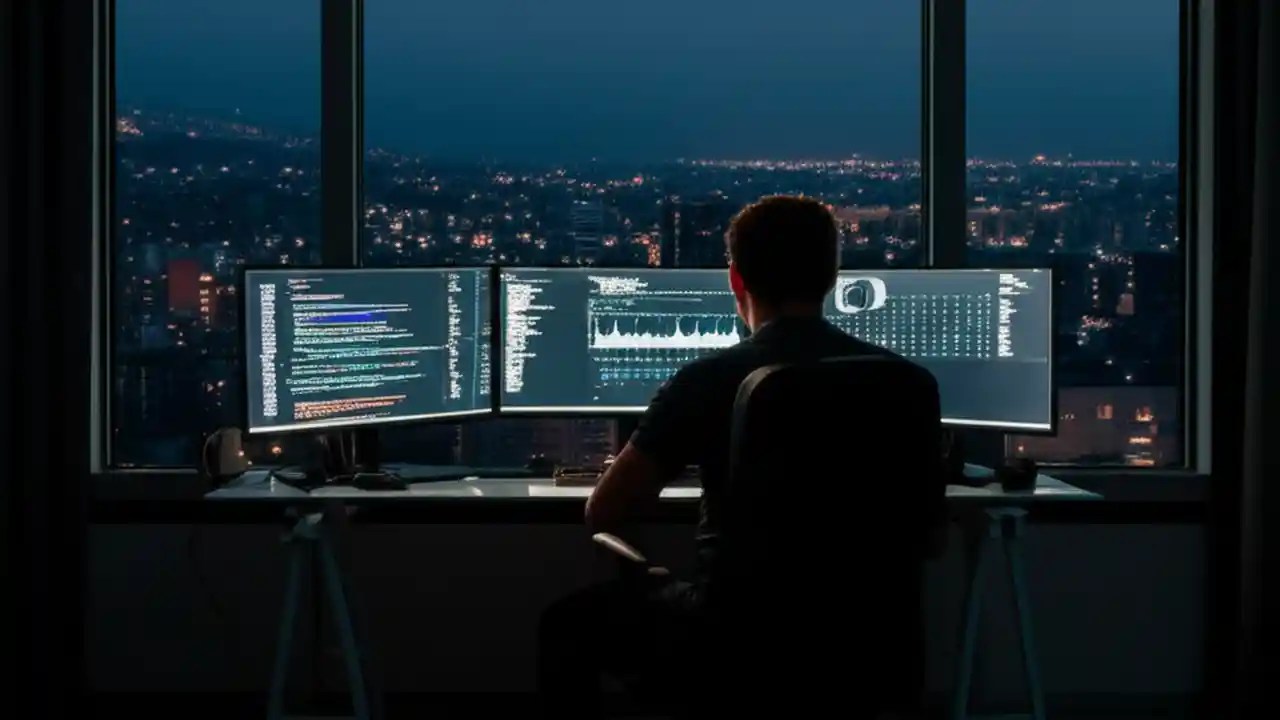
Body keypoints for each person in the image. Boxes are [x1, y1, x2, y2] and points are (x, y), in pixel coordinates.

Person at [536, 195, 943, 718]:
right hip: (875, 646)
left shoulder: (705, 380)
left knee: (567, 625)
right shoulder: (903, 381)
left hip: (733, 643)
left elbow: (605, 511)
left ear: (736, 280)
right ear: (832, 279)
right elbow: (931, 538)